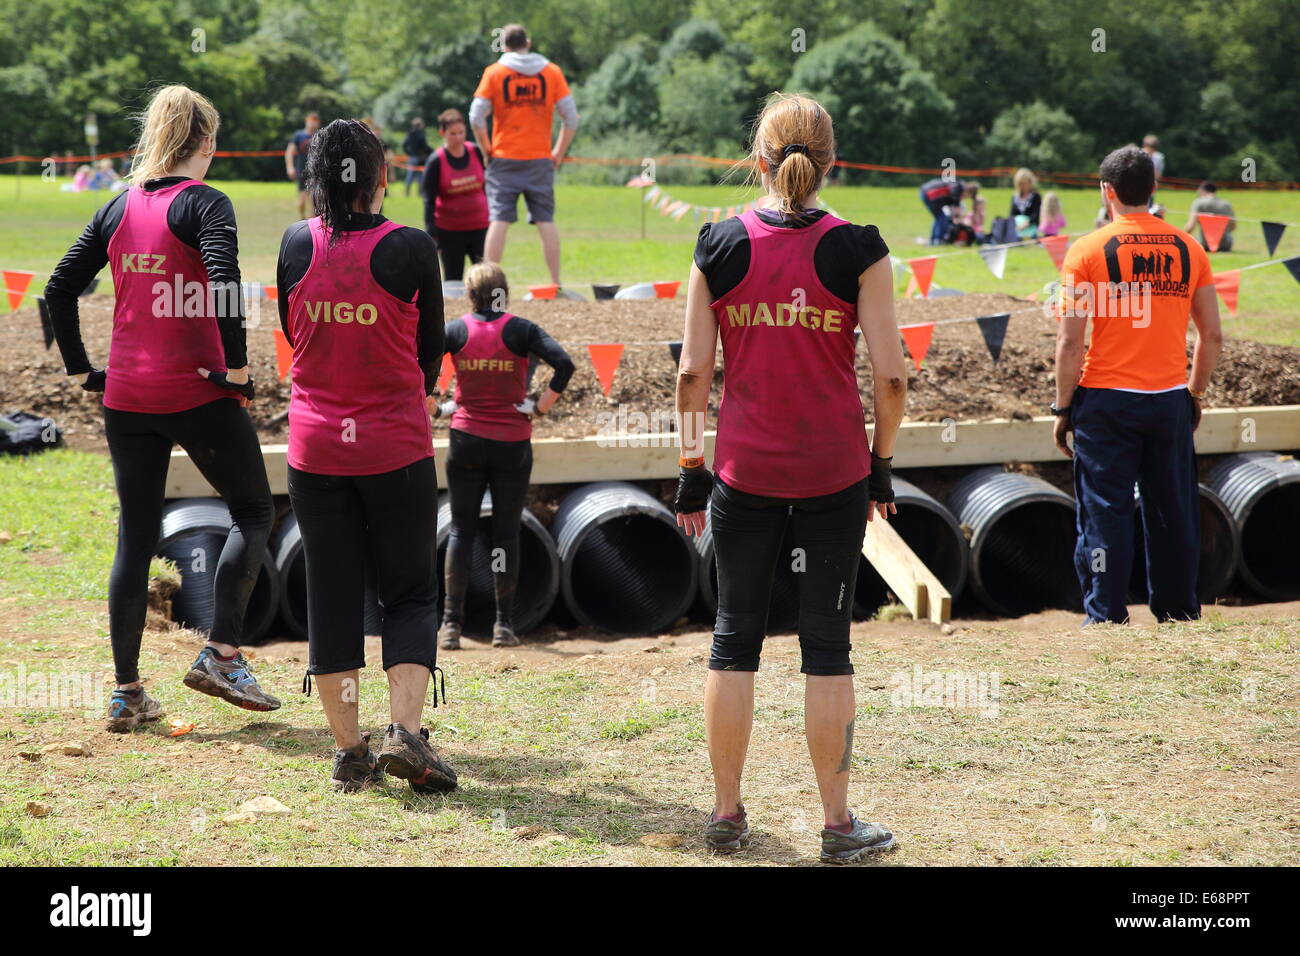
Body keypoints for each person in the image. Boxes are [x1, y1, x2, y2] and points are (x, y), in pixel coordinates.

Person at [673, 93, 908, 863]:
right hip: (835, 475)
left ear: (760, 159)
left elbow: (690, 375)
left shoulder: (717, 244)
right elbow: (893, 379)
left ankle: (726, 815)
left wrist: (690, 470)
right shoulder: (861, 250)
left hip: (742, 475)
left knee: (734, 640)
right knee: (827, 647)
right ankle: (838, 827)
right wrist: (882, 465)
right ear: (830, 159)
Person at [44, 85, 278, 732]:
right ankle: (222, 654)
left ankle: (126, 693)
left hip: (127, 397)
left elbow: (58, 290)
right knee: (255, 512)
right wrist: (235, 367)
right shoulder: (206, 202)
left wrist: (82, 370)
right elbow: (225, 282)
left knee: (135, 538)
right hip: (198, 390)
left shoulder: (118, 207)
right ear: (206, 142)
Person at [276, 118, 456, 794]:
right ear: (381, 176)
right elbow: (431, 352)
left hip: (316, 448)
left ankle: (351, 751)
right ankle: (405, 736)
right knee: (409, 590)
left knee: (331, 592)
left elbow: (294, 336)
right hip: (394, 448)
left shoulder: (295, 243)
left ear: (316, 176)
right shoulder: (412, 248)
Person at [1053, 145, 1223, 625]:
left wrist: (1062, 408)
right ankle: (1178, 611)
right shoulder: (1191, 249)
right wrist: (1195, 393)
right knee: (1172, 507)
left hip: (1104, 403)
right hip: (1169, 399)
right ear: (1154, 189)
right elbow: (1211, 335)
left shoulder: (1085, 252)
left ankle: (1106, 615)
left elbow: (1069, 344)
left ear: (1107, 191)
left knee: (1105, 510)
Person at [433, 261, 575, 649]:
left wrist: (436, 407)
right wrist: (540, 407)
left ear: (470, 294)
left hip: (465, 441)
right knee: (504, 534)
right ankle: (504, 626)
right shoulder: (522, 330)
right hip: (512, 444)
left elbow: (417, 364)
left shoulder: (456, 330)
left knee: (461, 532)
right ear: (504, 292)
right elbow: (565, 364)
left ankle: (450, 626)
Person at [470, 23, 578, 286]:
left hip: (503, 156)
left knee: (499, 219)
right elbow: (572, 118)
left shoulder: (494, 73)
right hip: (540, 157)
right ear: (527, 43)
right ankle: (554, 283)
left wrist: (486, 149)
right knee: (545, 221)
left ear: (504, 45)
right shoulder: (551, 72)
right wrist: (558, 153)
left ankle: (486, 285)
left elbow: (475, 117)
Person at [422, 108, 490, 282]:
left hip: (481, 227)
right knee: (453, 282)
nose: (458, 138)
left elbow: (489, 186)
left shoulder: (475, 151)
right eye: (453, 134)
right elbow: (429, 200)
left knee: (485, 278)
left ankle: (487, 310)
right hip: (450, 231)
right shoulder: (436, 161)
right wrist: (432, 234)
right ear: (442, 133)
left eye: (461, 132)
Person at [285, 111, 320, 219]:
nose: (313, 123)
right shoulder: (299, 135)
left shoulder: (320, 135)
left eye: (315, 121)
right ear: (306, 121)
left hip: (316, 172)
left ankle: (313, 225)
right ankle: (302, 219)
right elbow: (289, 152)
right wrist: (290, 167)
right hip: (302, 171)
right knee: (302, 202)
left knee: (316, 202)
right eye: (311, 120)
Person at [1184, 181, 1235, 252]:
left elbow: (1191, 226)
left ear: (1201, 191)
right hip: (1225, 245)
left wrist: (1181, 238)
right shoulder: (1226, 204)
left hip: (1204, 244)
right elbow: (1233, 226)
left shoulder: (1198, 202)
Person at [918, 175, 965, 245]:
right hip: (929, 194)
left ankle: (935, 239)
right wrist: (958, 218)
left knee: (940, 217)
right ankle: (936, 239)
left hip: (926, 192)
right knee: (941, 217)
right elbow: (955, 204)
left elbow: (952, 205)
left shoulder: (954, 185)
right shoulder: (958, 188)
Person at [401, 118, 430, 197]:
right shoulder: (420, 134)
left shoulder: (410, 133)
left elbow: (404, 145)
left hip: (412, 157)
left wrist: (409, 153)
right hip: (420, 157)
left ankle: (407, 193)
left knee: (410, 175)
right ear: (419, 125)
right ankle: (419, 193)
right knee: (420, 175)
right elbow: (424, 146)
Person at [1010, 167, 1041, 239]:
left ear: (1030, 182)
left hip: (1030, 227)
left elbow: (1036, 215)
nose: (1022, 186)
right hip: (1017, 227)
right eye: (1020, 184)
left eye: (1024, 183)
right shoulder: (1015, 197)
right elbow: (1011, 215)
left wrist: (1026, 224)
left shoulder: (1035, 196)